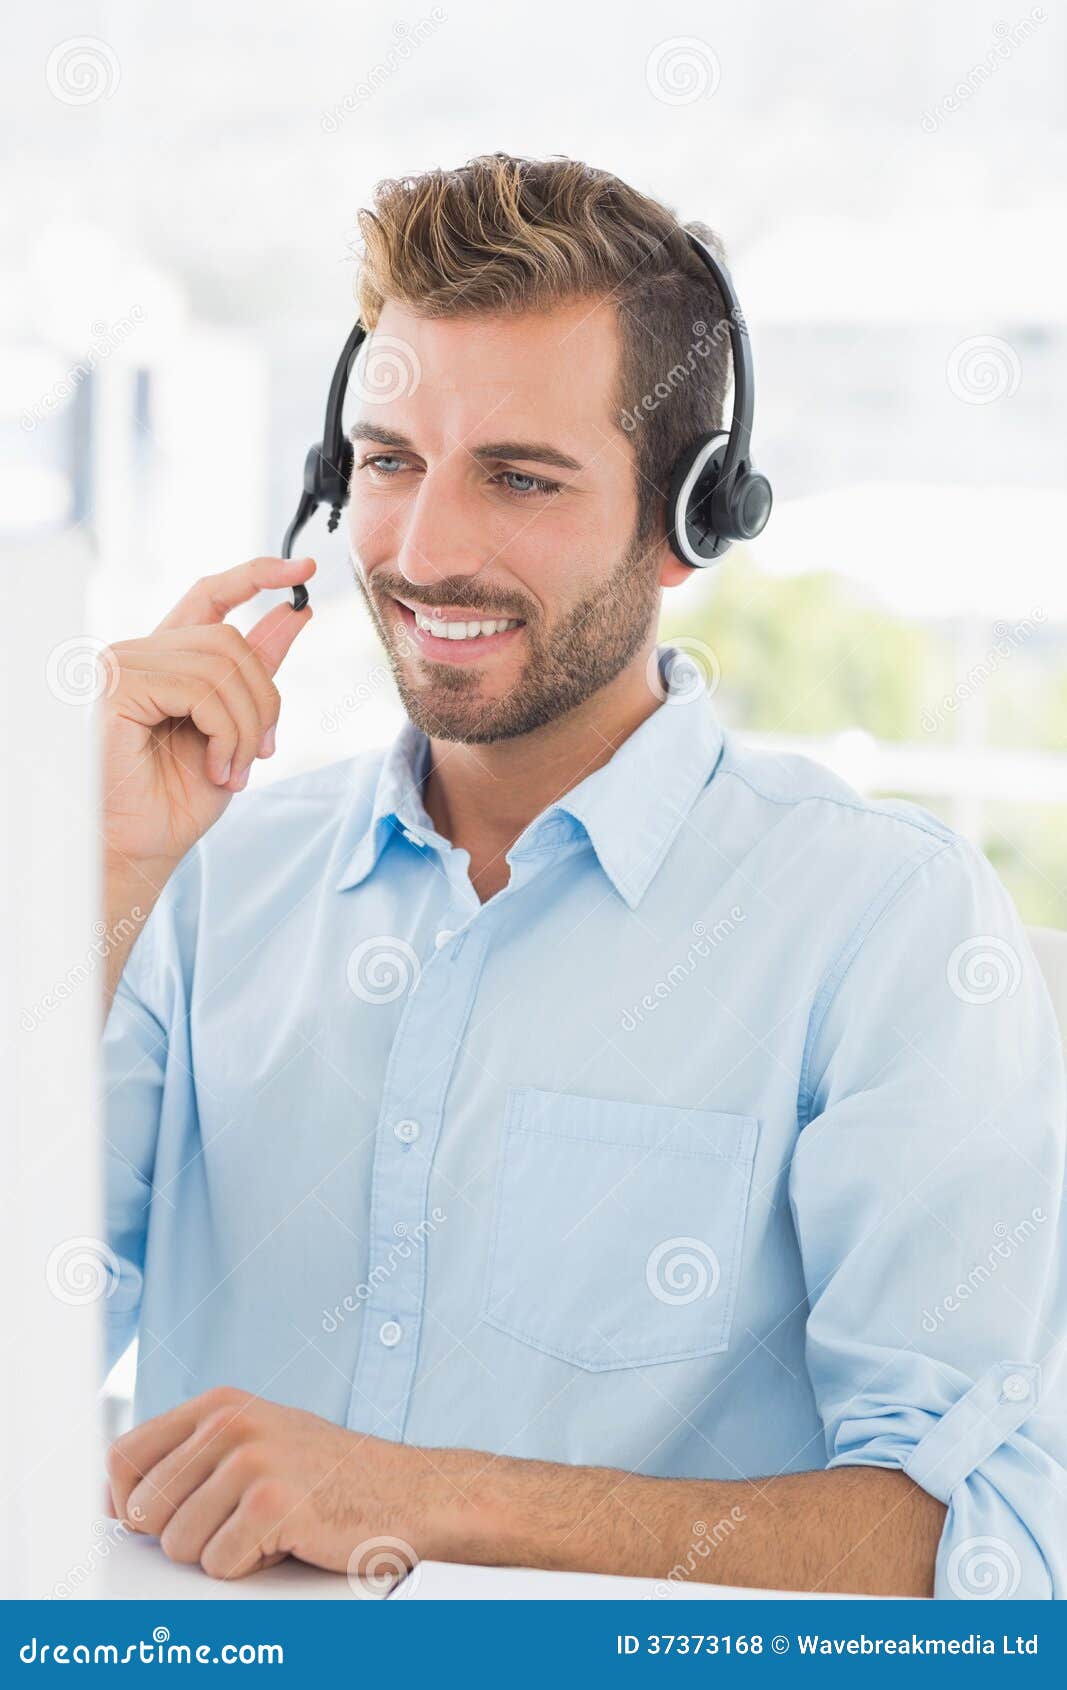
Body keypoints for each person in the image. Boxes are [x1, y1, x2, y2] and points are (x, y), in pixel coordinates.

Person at [100, 152, 1065, 1598]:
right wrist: (94, 867)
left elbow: (984, 1547)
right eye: (388, 462)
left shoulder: (882, 926)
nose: (424, 552)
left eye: (521, 477)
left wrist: (424, 1499)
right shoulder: (200, 880)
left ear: (689, 524)